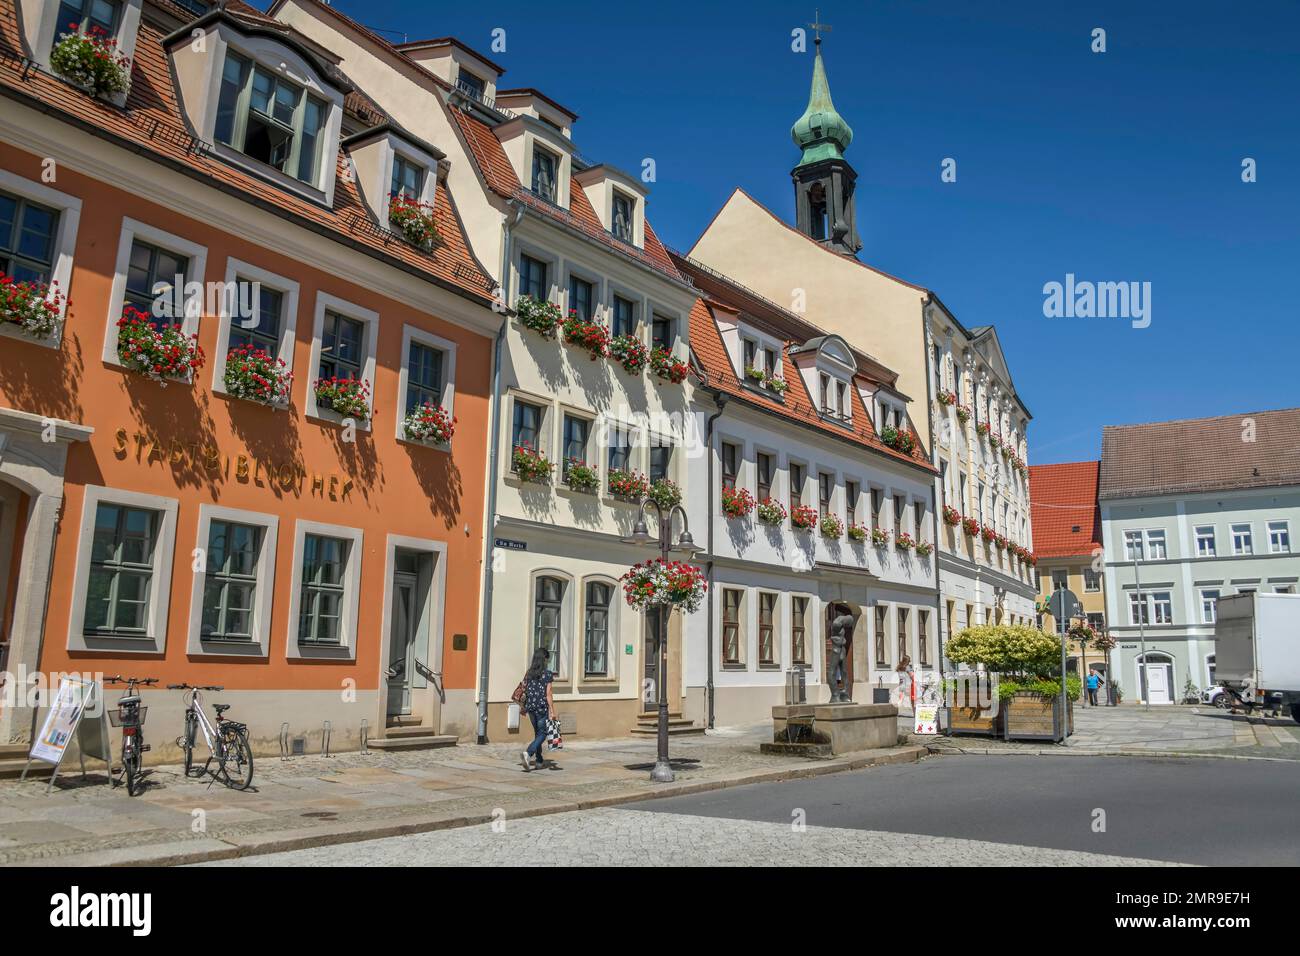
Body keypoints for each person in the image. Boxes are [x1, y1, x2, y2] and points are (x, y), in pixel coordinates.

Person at [520, 647, 556, 772]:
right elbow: (549, 694)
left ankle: (539, 760)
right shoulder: (547, 674)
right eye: (547, 659)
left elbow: (524, 691)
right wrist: (552, 711)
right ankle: (528, 753)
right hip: (541, 708)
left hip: (531, 708)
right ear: (544, 659)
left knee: (537, 734)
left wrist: (523, 707)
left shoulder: (529, 673)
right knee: (543, 734)